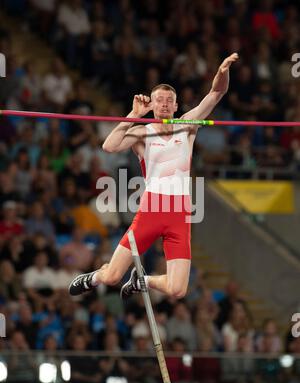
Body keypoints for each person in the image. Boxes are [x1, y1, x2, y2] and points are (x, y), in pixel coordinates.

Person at [69, 53, 239, 300]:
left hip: (180, 213)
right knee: (113, 276)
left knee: (177, 289)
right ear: (153, 105)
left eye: (170, 100)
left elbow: (216, 94)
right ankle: (94, 277)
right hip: (151, 210)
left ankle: (143, 280)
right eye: (159, 100)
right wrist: (134, 114)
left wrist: (222, 71)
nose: (164, 104)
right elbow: (109, 145)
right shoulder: (142, 132)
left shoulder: (187, 125)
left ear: (177, 106)